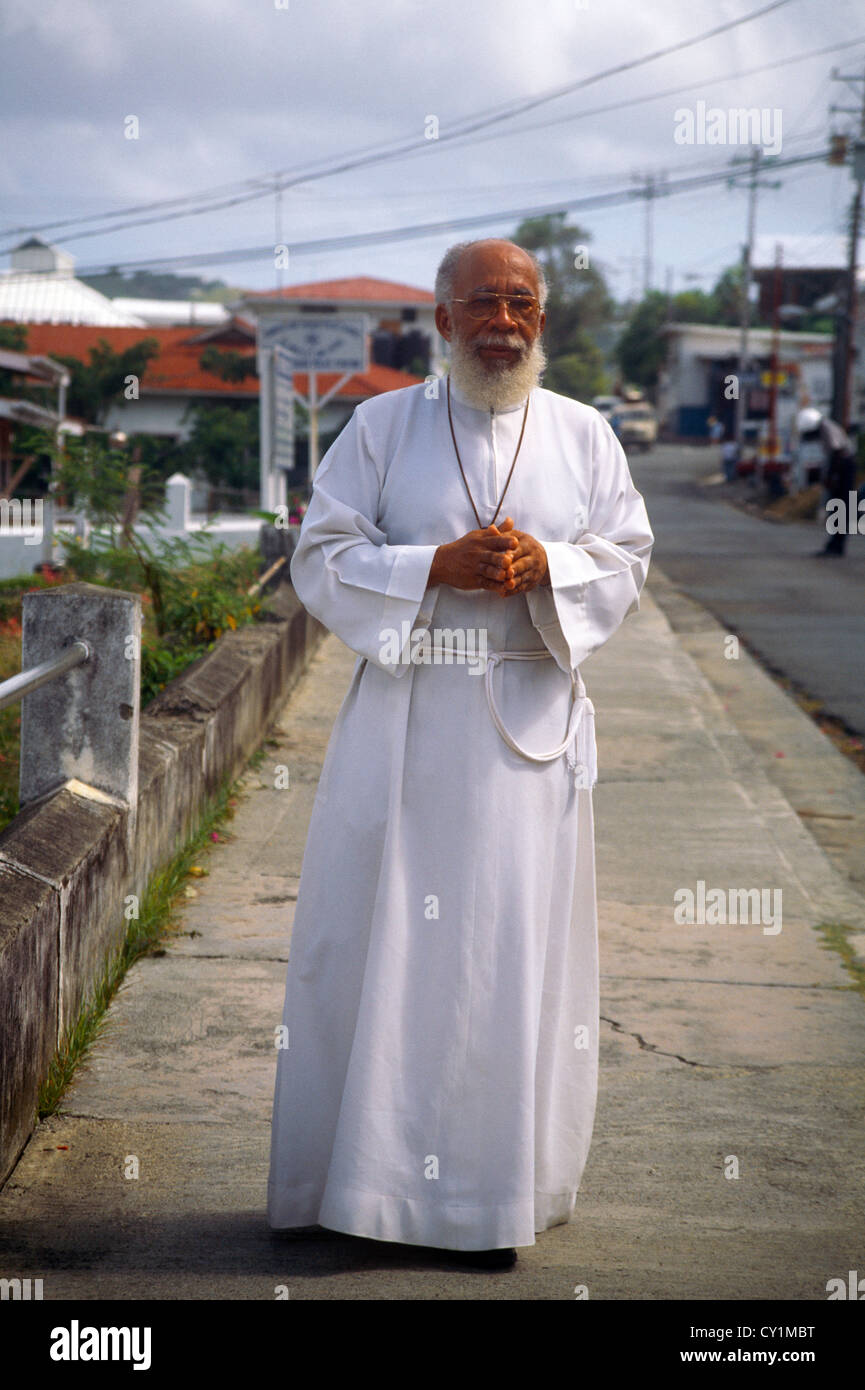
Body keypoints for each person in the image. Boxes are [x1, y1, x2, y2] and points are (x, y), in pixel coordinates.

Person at [267, 237, 654, 1271]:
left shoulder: (583, 435)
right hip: (406, 725)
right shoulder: (381, 425)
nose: (505, 319)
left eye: (522, 303)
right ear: (441, 322)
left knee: (501, 964)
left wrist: (548, 565)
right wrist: (429, 564)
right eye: (483, 302)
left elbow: (625, 555)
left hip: (527, 734)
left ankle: (488, 1202)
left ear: (540, 320)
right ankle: (362, 1190)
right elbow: (319, 553)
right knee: (381, 952)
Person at [815, 416, 857, 557]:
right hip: (843, 469)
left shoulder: (827, 428)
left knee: (840, 507)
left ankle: (837, 545)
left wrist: (831, 476)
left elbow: (837, 451)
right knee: (838, 508)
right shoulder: (827, 427)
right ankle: (835, 544)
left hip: (844, 470)